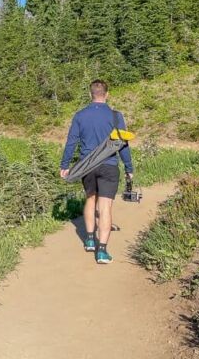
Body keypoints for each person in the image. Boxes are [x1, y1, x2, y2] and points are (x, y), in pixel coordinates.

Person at [59, 79, 133, 264]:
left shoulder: (80, 115)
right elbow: (123, 144)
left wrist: (65, 165)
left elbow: (71, 142)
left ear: (90, 94)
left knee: (91, 199)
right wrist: (129, 167)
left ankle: (90, 239)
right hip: (109, 165)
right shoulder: (116, 116)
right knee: (105, 206)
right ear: (107, 94)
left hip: (87, 165)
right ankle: (102, 251)